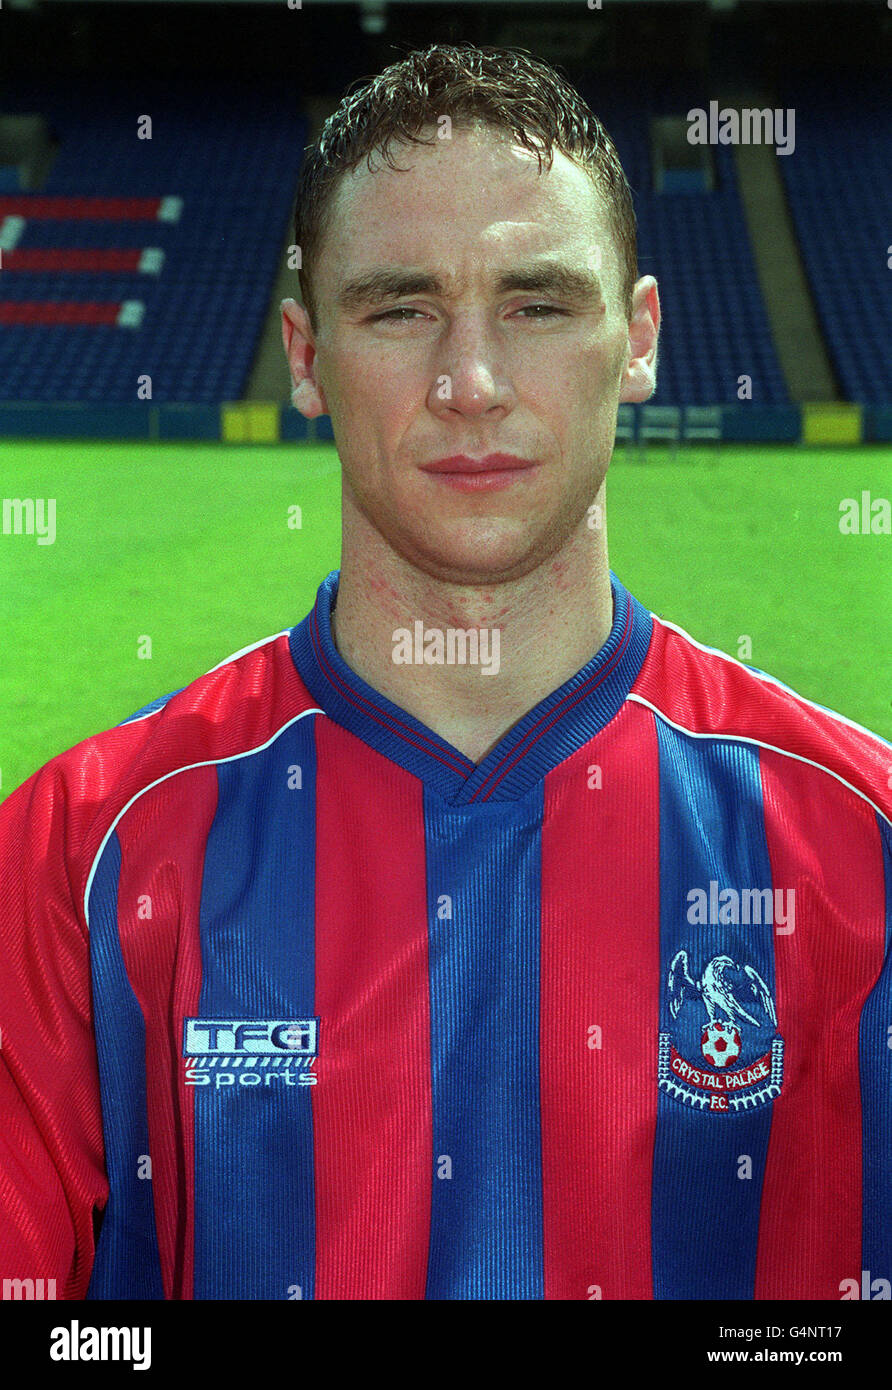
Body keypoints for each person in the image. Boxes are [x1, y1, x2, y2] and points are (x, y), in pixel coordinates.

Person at [1, 44, 889, 1302]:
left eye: (536, 304)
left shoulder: (859, 847)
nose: (469, 385)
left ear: (637, 339)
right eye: (400, 307)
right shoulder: (79, 854)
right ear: (305, 354)